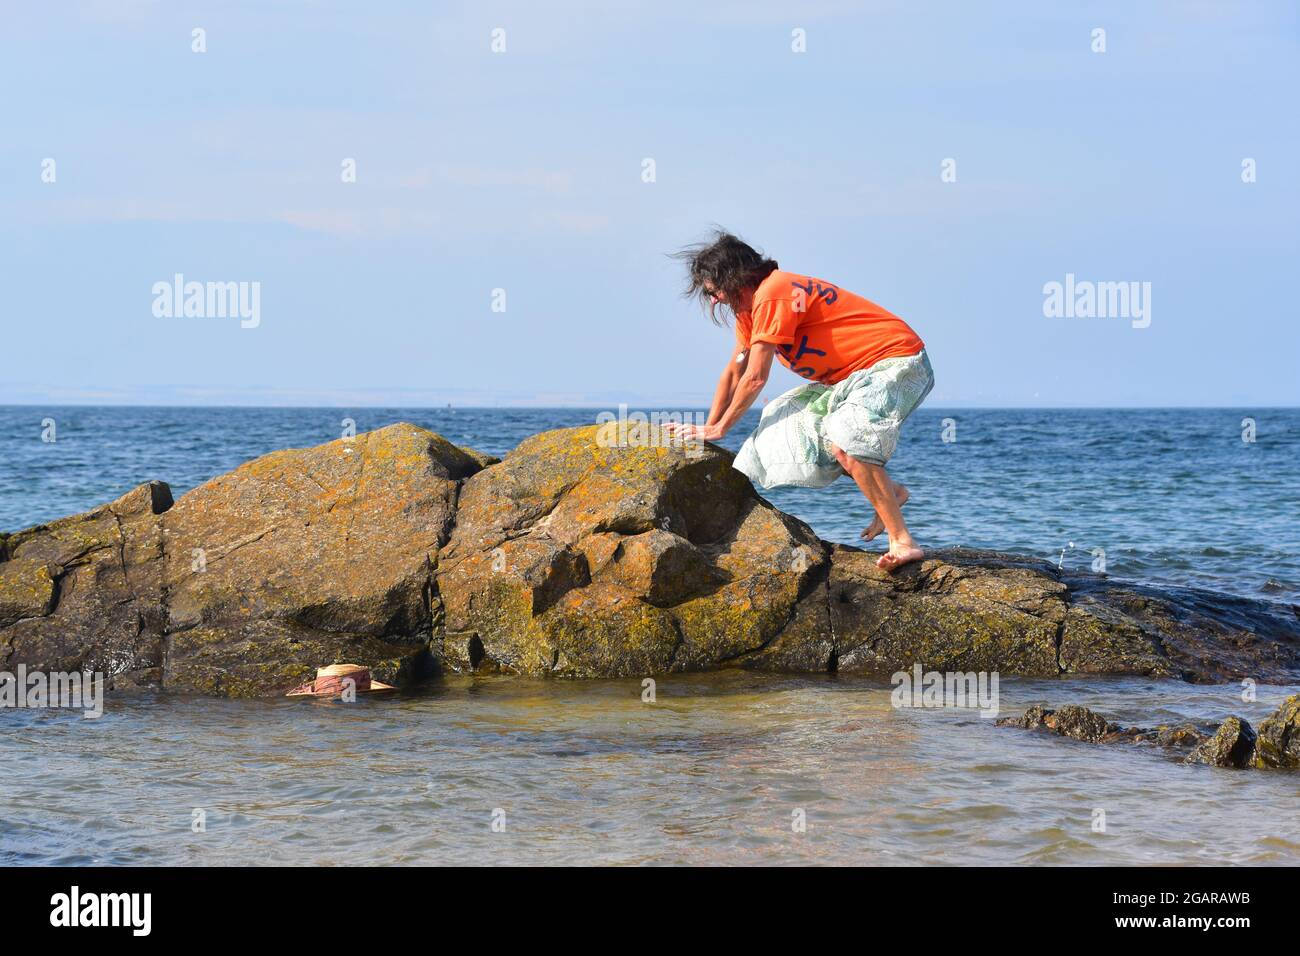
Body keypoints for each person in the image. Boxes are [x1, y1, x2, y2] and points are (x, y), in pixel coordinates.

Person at [664, 230, 934, 571]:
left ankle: (904, 542)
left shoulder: (775, 293)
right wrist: (708, 425)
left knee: (848, 443)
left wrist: (720, 429)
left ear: (734, 277)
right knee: (790, 426)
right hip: (850, 379)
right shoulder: (749, 312)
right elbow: (735, 372)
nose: (714, 300)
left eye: (714, 290)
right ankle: (891, 492)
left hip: (895, 362)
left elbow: (756, 378)